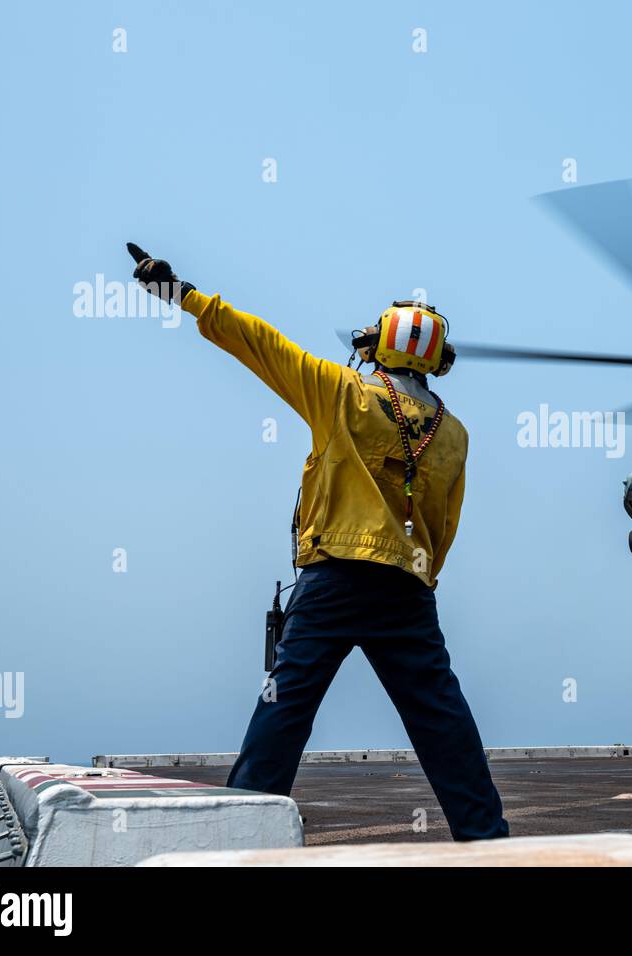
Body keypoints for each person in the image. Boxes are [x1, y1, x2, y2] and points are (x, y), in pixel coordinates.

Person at [128, 243, 508, 841]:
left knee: (284, 708)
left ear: (377, 344)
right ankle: (486, 837)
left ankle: (242, 832)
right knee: (442, 720)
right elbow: (446, 522)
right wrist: (420, 576)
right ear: (437, 361)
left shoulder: (343, 392)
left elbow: (260, 342)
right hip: (408, 587)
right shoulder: (453, 434)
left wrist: (182, 294)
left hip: (335, 577)